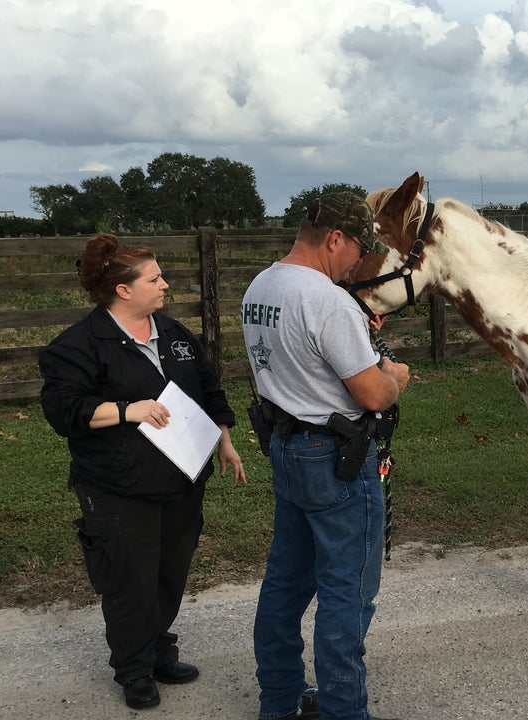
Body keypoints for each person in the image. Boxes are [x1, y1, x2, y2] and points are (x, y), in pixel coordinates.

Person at [39, 233, 246, 709]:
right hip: (117, 488)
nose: (165, 285)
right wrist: (127, 408)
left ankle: (158, 651)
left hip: (180, 480)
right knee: (130, 579)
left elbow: (208, 390)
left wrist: (224, 439)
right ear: (123, 290)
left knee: (170, 571)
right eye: (155, 279)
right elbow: (64, 411)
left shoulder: (174, 335)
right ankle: (133, 669)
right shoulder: (77, 346)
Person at [242, 192, 411, 720]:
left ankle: (280, 699)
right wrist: (395, 377)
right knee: (348, 592)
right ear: (334, 238)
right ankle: (344, 710)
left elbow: (301, 357)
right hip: (334, 454)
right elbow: (373, 394)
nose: (358, 263)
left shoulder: (260, 286)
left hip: (286, 444)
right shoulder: (326, 299)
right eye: (358, 250)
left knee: (285, 583)